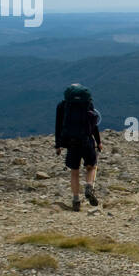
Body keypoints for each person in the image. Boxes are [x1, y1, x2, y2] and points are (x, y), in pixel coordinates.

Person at [54, 83, 102, 211]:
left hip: (71, 143)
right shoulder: (87, 104)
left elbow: (58, 126)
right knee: (91, 167)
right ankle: (89, 186)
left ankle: (76, 200)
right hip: (87, 140)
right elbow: (94, 124)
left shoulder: (62, 106)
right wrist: (98, 142)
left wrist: (58, 145)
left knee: (74, 172)